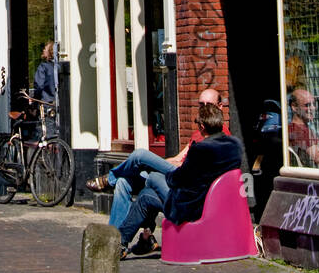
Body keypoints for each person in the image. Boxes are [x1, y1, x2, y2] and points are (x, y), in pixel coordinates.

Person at [115, 103, 243, 258]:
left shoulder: (200, 150)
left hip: (194, 207)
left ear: (202, 126)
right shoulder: (235, 147)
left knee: (153, 178)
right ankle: (135, 240)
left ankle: (125, 242)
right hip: (217, 203)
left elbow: (179, 179)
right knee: (146, 197)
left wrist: (163, 175)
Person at [85, 86, 229, 209]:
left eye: (208, 105)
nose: (204, 109)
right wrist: (158, 163)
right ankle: (117, 237)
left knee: (140, 155)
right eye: (201, 105)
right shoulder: (198, 132)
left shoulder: (220, 134)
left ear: (219, 107)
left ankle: (109, 179)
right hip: (176, 170)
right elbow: (179, 157)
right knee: (123, 182)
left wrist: (156, 164)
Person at [287, 88, 319, 168]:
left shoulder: (296, 128)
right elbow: (318, 159)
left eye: (313, 104)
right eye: (307, 105)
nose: (313, 108)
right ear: (294, 107)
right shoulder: (299, 131)